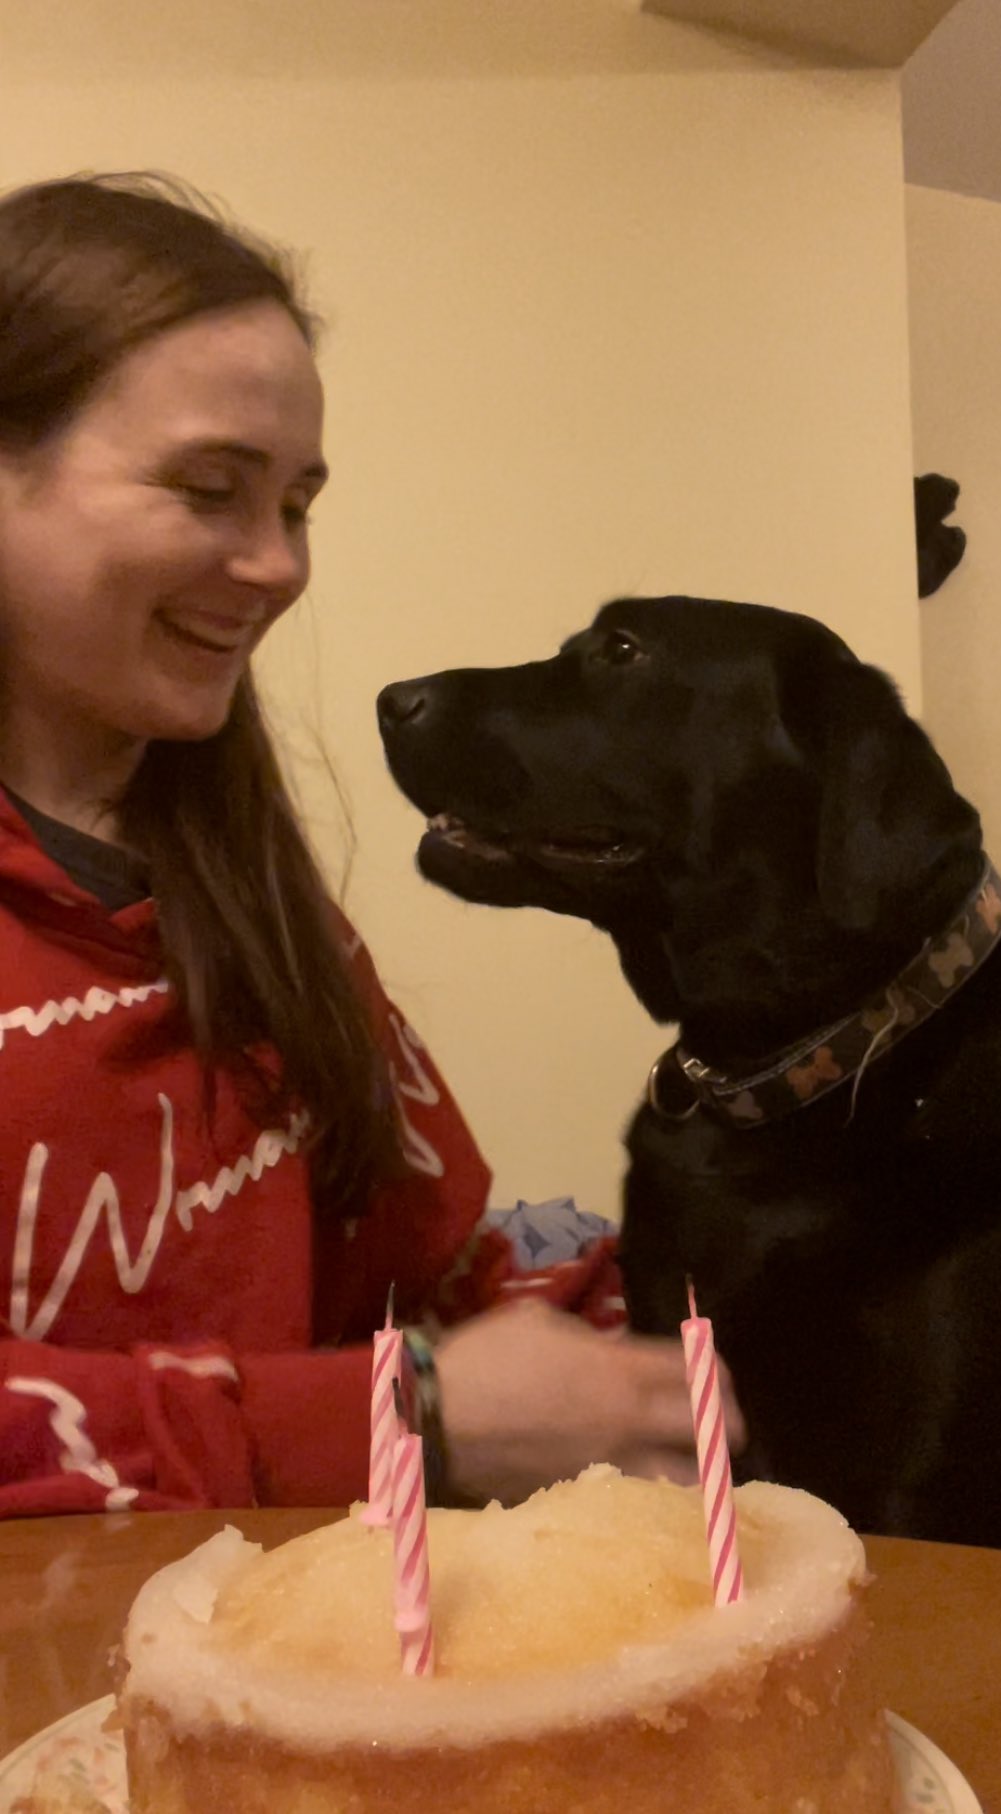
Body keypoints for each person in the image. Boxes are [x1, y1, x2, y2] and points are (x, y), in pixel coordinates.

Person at [0, 172, 742, 1517]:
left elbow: (442, 1276)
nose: (278, 565)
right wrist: (398, 1419)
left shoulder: (265, 918)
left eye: (295, 505)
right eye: (211, 489)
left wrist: (700, 1304)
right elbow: (408, 1389)